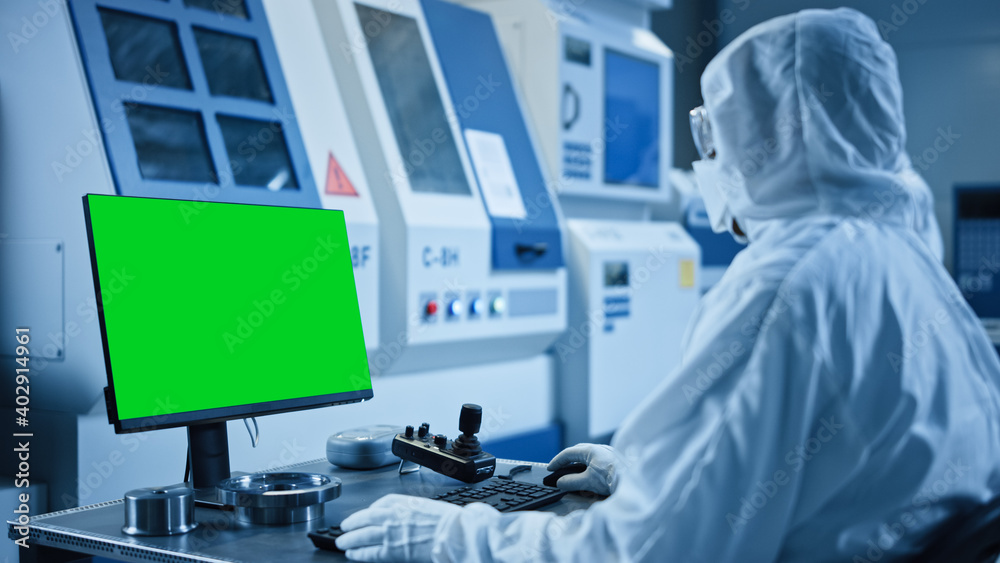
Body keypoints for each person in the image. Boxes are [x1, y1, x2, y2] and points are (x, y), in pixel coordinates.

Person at [336, 8, 1000, 561]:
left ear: (762, 136)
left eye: (717, 136)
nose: (708, 162)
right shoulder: (906, 262)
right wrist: (646, 476)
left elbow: (641, 553)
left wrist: (446, 535)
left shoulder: (790, 282)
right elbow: (836, 477)